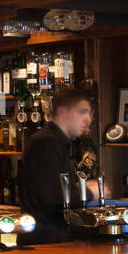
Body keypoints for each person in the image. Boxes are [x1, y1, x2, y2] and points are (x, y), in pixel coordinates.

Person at [18, 89, 100, 243]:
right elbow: (52, 198)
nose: (88, 119)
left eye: (90, 114)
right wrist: (88, 192)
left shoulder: (56, 143)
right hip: (43, 244)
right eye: (83, 112)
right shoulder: (46, 143)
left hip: (49, 239)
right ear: (62, 112)